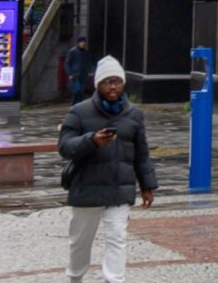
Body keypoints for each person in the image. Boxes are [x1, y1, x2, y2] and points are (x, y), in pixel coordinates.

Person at [58, 56, 156, 283]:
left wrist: (148, 186)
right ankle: (75, 277)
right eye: (107, 82)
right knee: (80, 241)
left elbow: (141, 154)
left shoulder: (134, 115)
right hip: (87, 187)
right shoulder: (79, 112)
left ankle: (114, 280)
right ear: (98, 85)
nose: (113, 86)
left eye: (117, 81)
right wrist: (92, 140)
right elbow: (64, 146)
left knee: (117, 238)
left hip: (119, 188)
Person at [64, 36, 94, 105]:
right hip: (75, 74)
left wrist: (91, 71)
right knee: (77, 90)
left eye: (84, 42)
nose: (83, 43)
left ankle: (78, 104)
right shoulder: (72, 51)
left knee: (81, 91)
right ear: (78, 43)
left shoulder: (86, 52)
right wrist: (69, 73)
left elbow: (89, 62)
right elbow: (67, 63)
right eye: (81, 42)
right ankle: (74, 104)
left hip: (83, 74)